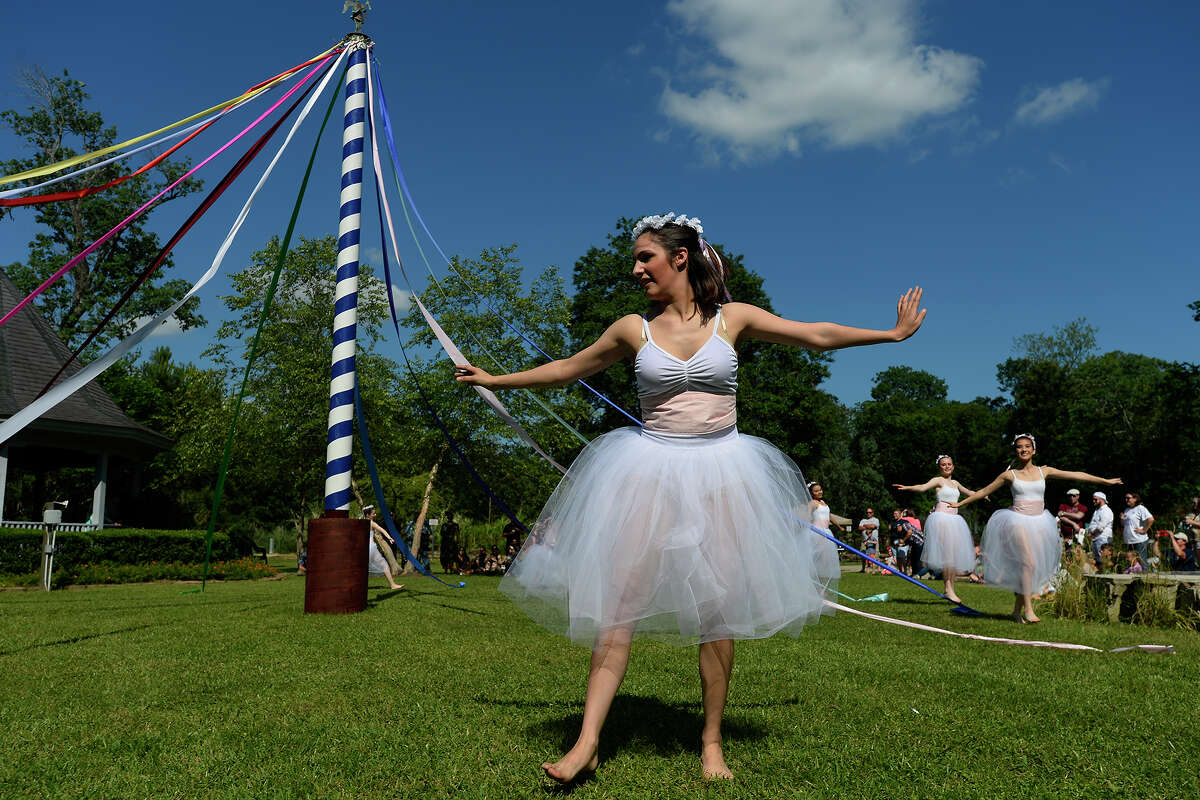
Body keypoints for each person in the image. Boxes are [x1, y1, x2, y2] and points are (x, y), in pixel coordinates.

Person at [454, 212, 926, 782]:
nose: (636, 269)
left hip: (724, 473)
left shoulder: (735, 319)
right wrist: (493, 380)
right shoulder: (634, 329)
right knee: (618, 607)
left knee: (716, 612)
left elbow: (815, 333)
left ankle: (711, 744)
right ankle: (586, 742)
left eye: (645, 258)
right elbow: (567, 369)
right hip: (645, 472)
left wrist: (890, 334)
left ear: (680, 258)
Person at [952, 434, 1120, 623]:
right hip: (1017, 521)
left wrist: (1105, 481)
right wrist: (960, 504)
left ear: (1034, 450)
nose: (1023, 449)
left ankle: (1016, 611)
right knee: (1029, 563)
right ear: (1015, 451)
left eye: (1027, 446)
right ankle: (1029, 610)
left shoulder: (1044, 471)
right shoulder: (1010, 475)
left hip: (1040, 521)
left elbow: (1076, 474)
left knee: (1032, 567)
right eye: (1019, 447)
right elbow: (984, 491)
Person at [893, 455, 979, 604]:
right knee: (947, 554)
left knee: (953, 556)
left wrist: (984, 494)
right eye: (943, 464)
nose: (946, 466)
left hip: (955, 520)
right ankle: (948, 588)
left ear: (953, 466)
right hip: (941, 520)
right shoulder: (938, 480)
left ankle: (951, 588)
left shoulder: (955, 483)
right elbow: (922, 487)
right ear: (939, 467)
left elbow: (970, 492)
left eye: (949, 464)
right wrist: (907, 487)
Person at [807, 482, 843, 587]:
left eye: (820, 489)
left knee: (826, 561)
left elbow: (829, 515)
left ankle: (821, 585)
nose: (819, 492)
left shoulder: (823, 502)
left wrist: (838, 526)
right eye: (816, 491)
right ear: (811, 493)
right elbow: (807, 514)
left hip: (827, 533)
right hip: (818, 532)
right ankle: (817, 585)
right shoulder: (813, 503)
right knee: (819, 560)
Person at [363, 506, 404, 591]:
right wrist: (389, 538)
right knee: (384, 565)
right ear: (368, 515)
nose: (375, 515)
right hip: (371, 548)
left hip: (363, 547)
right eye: (373, 513)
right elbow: (382, 530)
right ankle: (393, 584)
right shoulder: (371, 523)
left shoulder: (361, 522)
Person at [1120, 492, 1155, 573]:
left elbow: (1151, 519)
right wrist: (1122, 519)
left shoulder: (1140, 508)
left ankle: (1145, 581)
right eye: (1125, 498)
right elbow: (1123, 524)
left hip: (1139, 540)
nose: (1126, 500)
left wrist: (1144, 530)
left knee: (1142, 562)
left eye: (1128, 498)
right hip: (1129, 541)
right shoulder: (1127, 509)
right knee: (1131, 562)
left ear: (1135, 499)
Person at [1085, 492, 1114, 567]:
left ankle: (1107, 574)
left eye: (1095, 499)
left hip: (1103, 537)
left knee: (1104, 558)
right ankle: (1100, 575)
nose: (1093, 501)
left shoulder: (1106, 511)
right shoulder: (1097, 510)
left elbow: (1101, 526)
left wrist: (1092, 534)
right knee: (1097, 559)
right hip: (1096, 538)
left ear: (1102, 499)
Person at [887, 508, 910, 575]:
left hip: (901, 544)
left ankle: (905, 572)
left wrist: (902, 530)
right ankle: (900, 572)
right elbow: (889, 532)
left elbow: (909, 532)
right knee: (897, 559)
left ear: (900, 514)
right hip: (893, 543)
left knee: (902, 558)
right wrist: (889, 529)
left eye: (896, 513)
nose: (894, 515)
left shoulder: (904, 522)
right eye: (894, 514)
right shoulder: (892, 522)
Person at [857, 507, 880, 574]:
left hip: (874, 541)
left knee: (874, 555)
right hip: (865, 541)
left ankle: (874, 570)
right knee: (863, 555)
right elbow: (860, 528)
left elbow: (873, 526)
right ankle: (863, 568)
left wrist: (865, 525)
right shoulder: (863, 520)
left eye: (870, 512)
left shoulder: (876, 520)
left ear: (873, 513)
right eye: (867, 512)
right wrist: (868, 526)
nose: (868, 514)